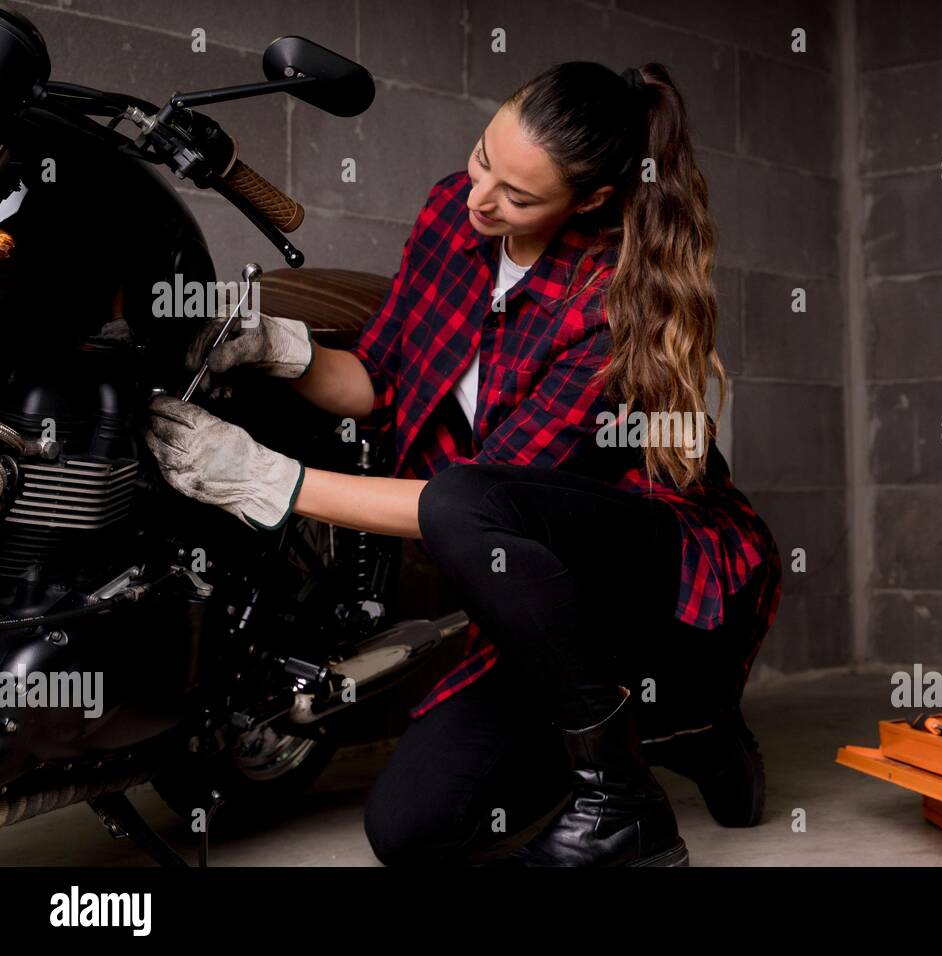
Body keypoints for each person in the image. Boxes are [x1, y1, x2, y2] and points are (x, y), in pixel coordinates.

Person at [145, 61, 781, 867]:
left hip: (641, 574)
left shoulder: (612, 302)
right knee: (413, 830)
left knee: (462, 501)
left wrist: (269, 481)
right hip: (538, 598)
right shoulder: (456, 210)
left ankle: (647, 776)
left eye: (519, 196)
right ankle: (662, 726)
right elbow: (377, 379)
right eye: (485, 158)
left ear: (587, 201)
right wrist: (284, 349)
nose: (483, 198)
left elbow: (473, 506)